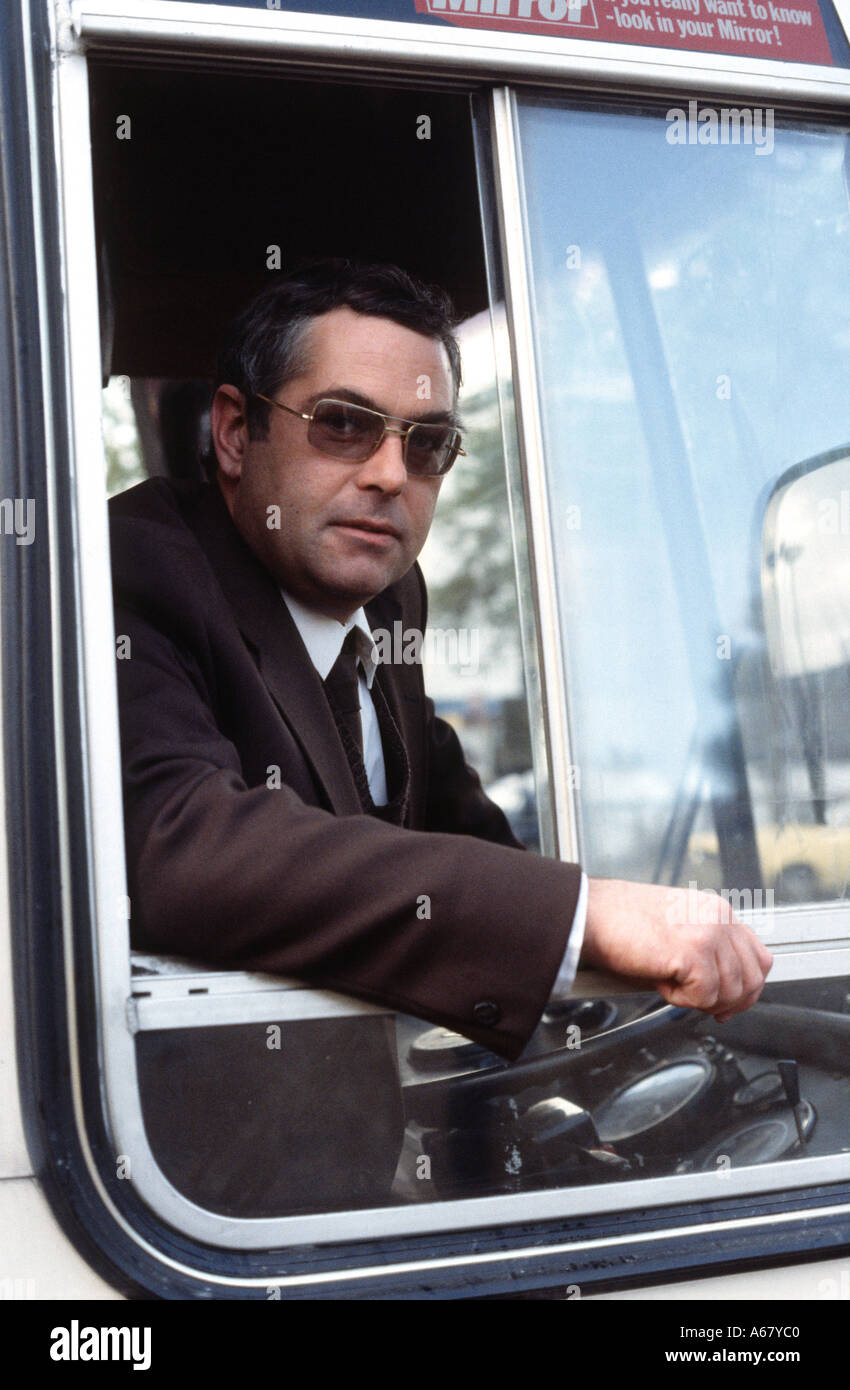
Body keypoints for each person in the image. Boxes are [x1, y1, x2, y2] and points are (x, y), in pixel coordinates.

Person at [110, 261, 772, 1211]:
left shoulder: (386, 596)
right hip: (182, 1216)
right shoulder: (133, 572)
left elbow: (448, 830)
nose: (388, 474)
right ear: (232, 430)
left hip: (367, 1181)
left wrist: (623, 946)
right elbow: (185, 848)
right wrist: (588, 914)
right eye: (341, 424)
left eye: (426, 445)